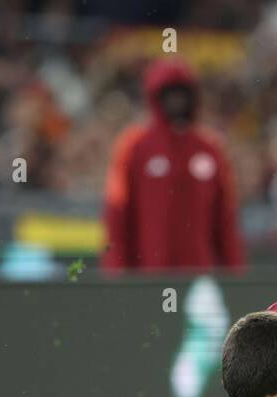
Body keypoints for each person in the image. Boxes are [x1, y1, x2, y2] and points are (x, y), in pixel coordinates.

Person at [103, 57, 244, 272]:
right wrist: (117, 271)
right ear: (156, 98)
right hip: (147, 274)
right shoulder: (134, 146)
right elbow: (118, 214)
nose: (176, 102)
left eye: (181, 95)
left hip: (200, 275)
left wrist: (234, 272)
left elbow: (225, 218)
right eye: (169, 95)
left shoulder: (210, 148)